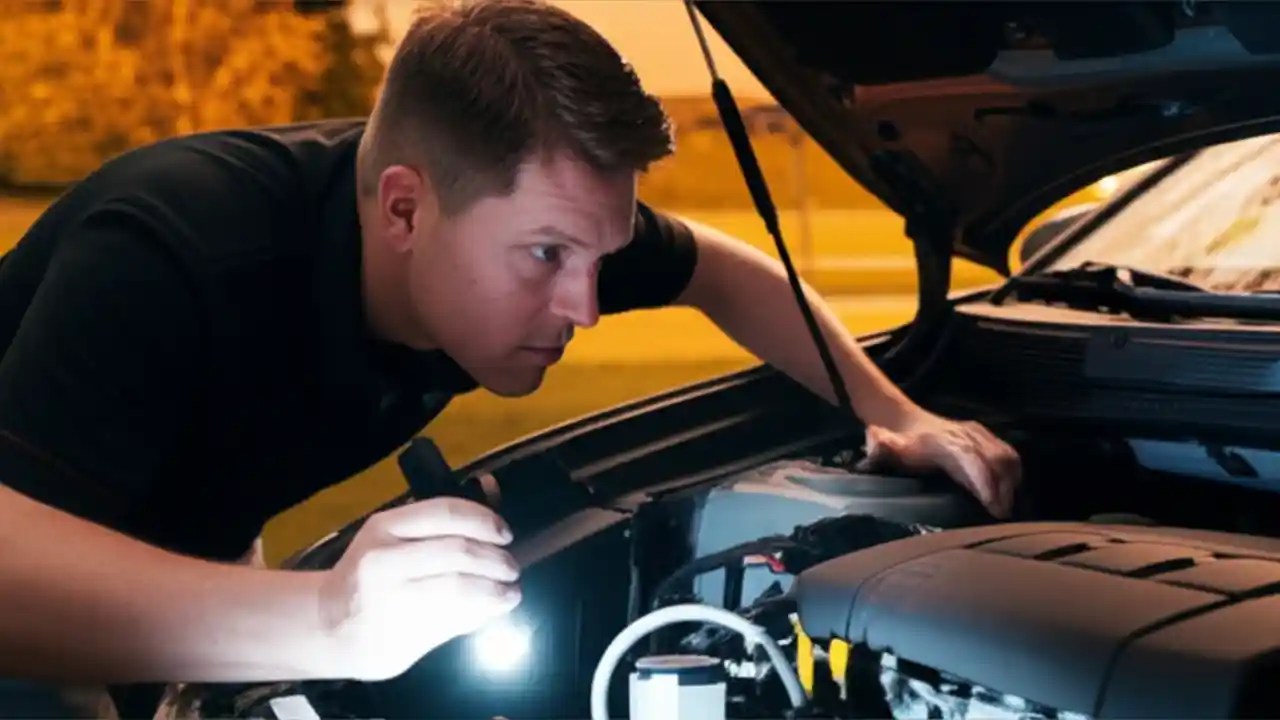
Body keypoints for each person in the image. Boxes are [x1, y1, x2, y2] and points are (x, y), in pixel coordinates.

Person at [0, 0, 1020, 713]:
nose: (582, 305)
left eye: (601, 255)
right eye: (546, 256)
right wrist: (326, 618)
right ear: (404, 206)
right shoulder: (169, 253)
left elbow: (723, 268)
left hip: (189, 534)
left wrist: (898, 415)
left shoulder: (504, 220)